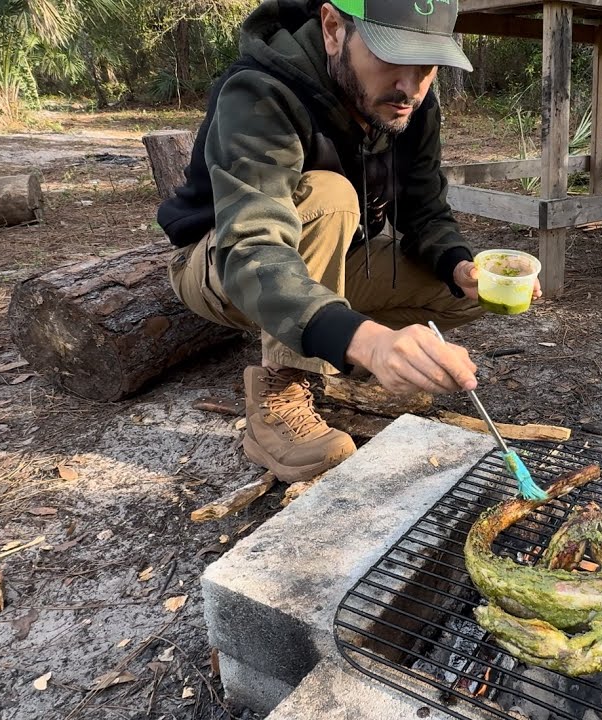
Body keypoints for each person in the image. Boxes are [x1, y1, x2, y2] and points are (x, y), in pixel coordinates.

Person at [157, 0, 537, 482]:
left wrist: (457, 263)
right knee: (330, 196)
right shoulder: (260, 92)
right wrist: (372, 341)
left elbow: (426, 208)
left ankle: (338, 354)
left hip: (333, 257)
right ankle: (278, 394)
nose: (410, 86)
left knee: (470, 293)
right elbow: (254, 245)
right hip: (223, 266)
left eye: (427, 66)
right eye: (393, 57)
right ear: (334, 28)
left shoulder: (411, 103)